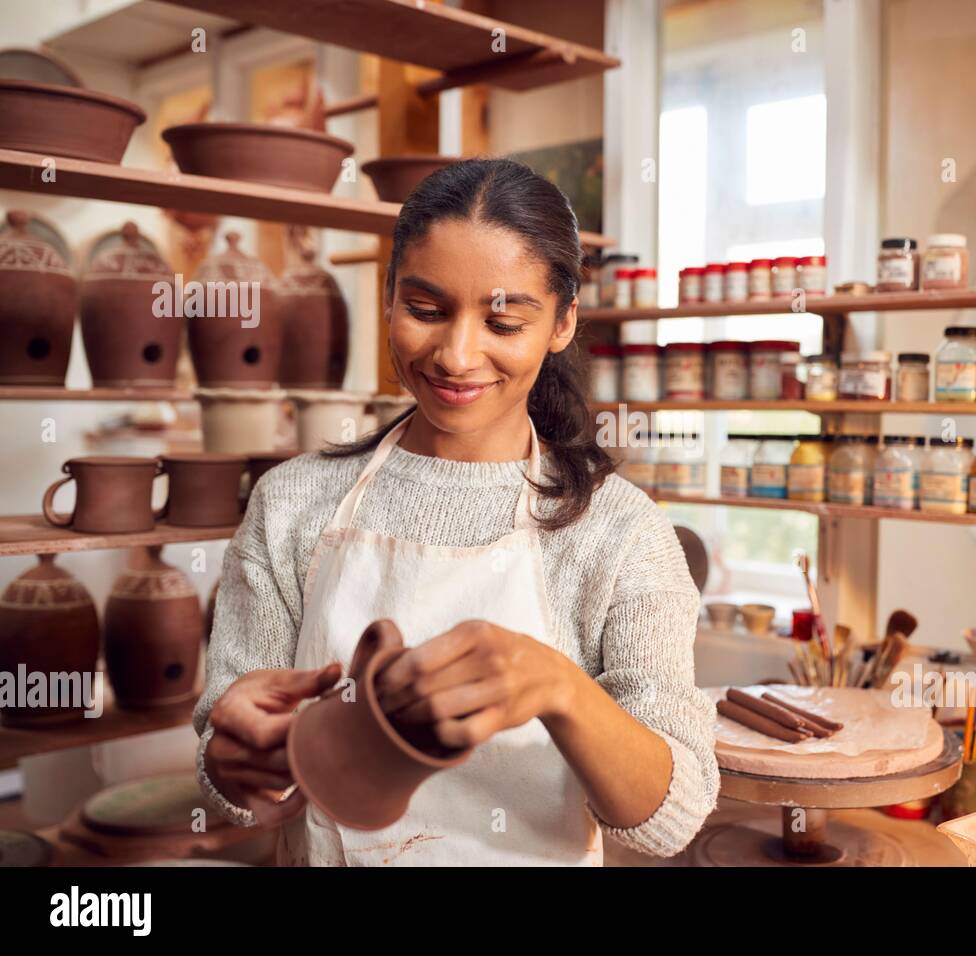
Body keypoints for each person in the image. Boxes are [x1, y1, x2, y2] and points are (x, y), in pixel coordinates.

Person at [193, 159, 718, 865]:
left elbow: (671, 815)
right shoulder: (291, 502)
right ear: (387, 300)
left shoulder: (620, 534)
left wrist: (559, 688)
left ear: (562, 323)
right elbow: (226, 769)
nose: (456, 354)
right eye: (426, 310)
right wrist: (236, 761)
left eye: (503, 320)